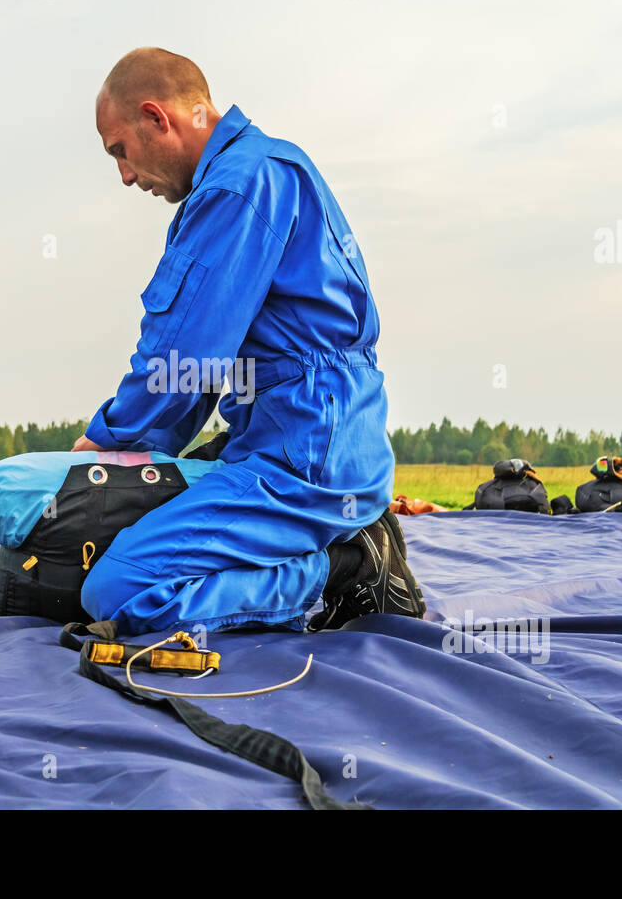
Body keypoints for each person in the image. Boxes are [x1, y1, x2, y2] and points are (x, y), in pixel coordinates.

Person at [72, 47, 423, 635]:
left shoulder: (238, 188)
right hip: (298, 433)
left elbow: (184, 358)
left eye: (121, 152)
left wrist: (104, 443)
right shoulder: (260, 170)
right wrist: (143, 455)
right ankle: (344, 535)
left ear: (158, 118)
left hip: (306, 453)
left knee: (120, 588)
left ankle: (342, 568)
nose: (126, 176)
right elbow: (206, 367)